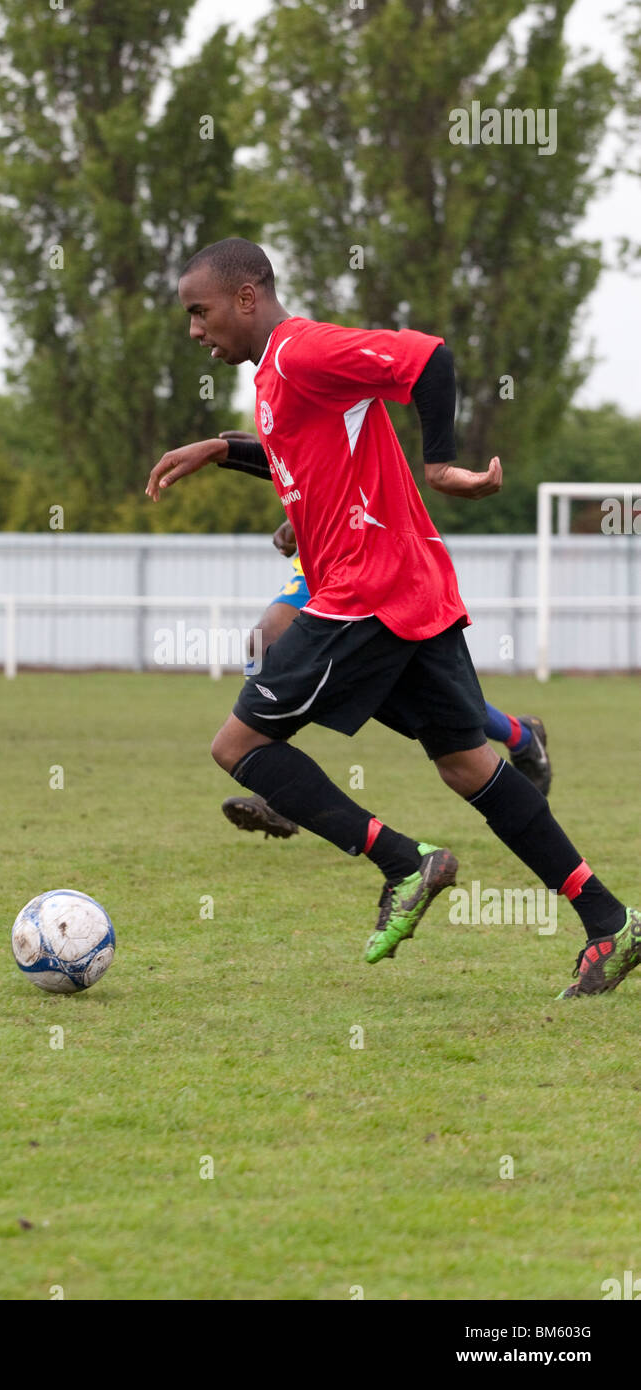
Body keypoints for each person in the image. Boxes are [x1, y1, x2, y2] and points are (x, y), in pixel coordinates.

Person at [145, 237, 639, 999]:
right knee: (467, 762)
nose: (194, 329)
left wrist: (439, 461)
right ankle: (611, 922)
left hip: (364, 593)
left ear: (247, 297)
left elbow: (427, 359)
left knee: (239, 745)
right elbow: (297, 456)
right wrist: (221, 449)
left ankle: (404, 862)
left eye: (199, 311)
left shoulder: (303, 349)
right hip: (410, 587)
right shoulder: (277, 376)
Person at [222, 512, 551, 840]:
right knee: (260, 643)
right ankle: (273, 786)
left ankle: (520, 734)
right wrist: (300, 514)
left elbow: (356, 466)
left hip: (379, 549)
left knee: (413, 689)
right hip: (326, 552)